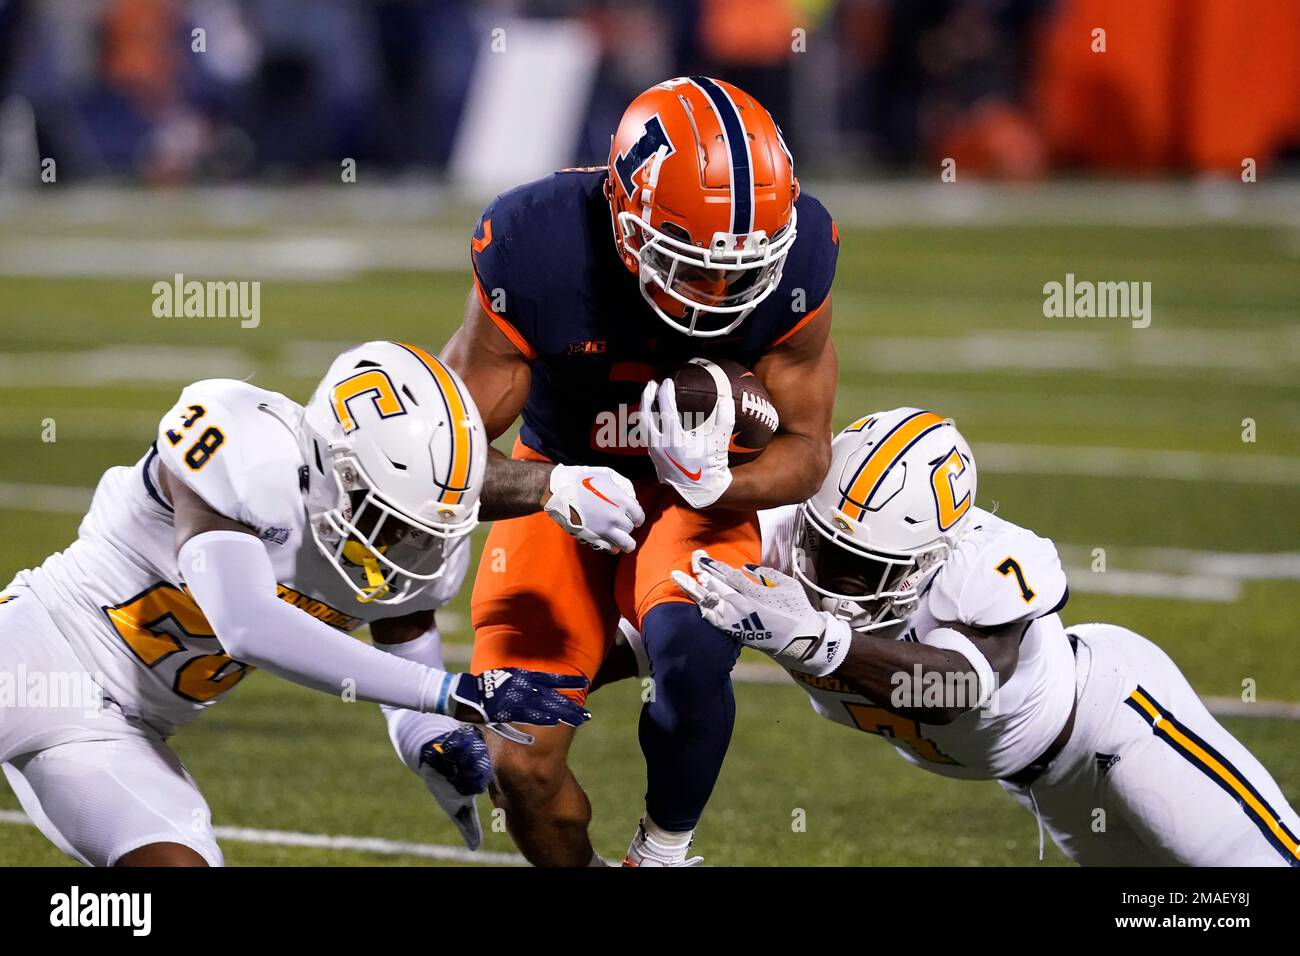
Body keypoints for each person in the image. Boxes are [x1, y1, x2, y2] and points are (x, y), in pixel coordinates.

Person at [441, 76, 840, 865]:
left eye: (744, 268)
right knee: (520, 761)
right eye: (691, 265)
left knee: (692, 650)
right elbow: (441, 459)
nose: (721, 293)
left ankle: (662, 851)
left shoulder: (800, 255)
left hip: (696, 497)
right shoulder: (537, 243)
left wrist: (719, 485)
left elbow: (807, 448)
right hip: (563, 481)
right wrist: (548, 487)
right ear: (627, 219)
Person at [0, 341, 587, 867]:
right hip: (40, 649)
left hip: (125, 734)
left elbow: (408, 689)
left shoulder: (415, 552)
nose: (406, 543)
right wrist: (453, 694)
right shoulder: (245, 451)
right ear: (332, 466)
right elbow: (247, 624)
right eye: (387, 515)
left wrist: (437, 743)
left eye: (423, 524)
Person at [667, 407, 1300, 865]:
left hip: (1118, 722)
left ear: (929, 555)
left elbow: (957, 688)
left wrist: (820, 640)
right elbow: (653, 619)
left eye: (864, 565)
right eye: (826, 547)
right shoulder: (779, 535)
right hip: (1040, 782)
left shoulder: (986, 565)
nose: (834, 577)